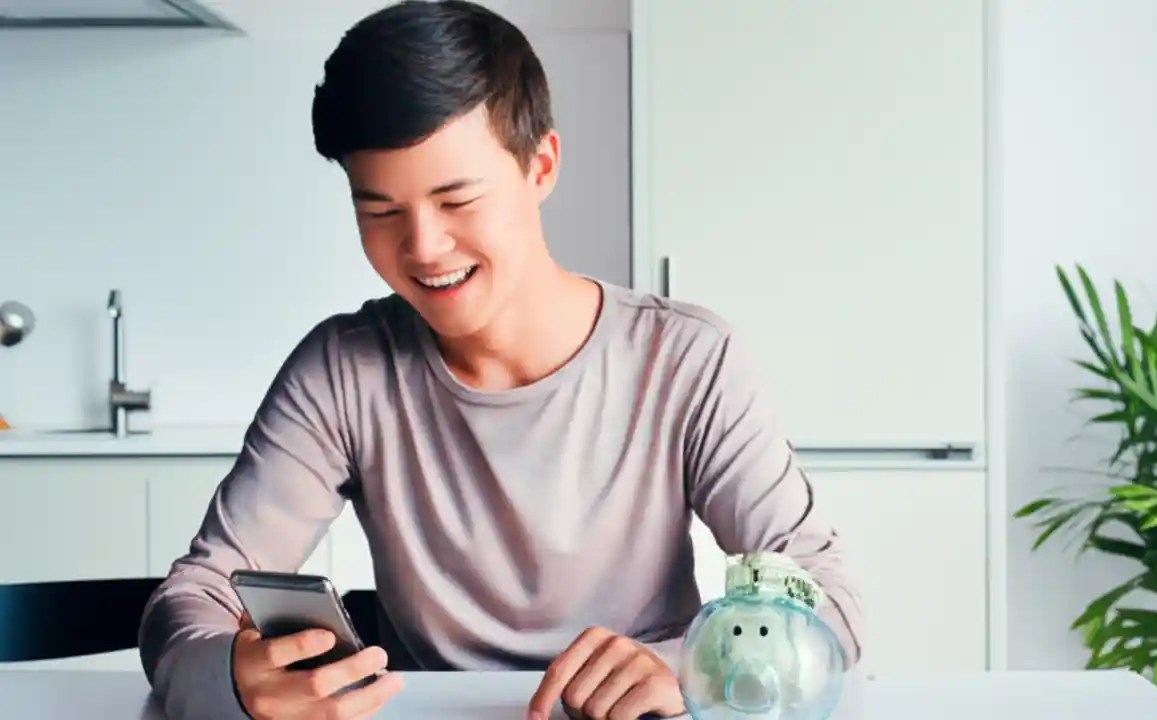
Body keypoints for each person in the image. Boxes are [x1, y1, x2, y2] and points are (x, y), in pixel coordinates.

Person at [137, 2, 864, 718]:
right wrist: (233, 680)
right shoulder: (342, 370)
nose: (422, 247)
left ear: (540, 165)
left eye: (458, 199)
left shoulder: (687, 361)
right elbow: (194, 597)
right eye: (381, 211)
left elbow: (829, 602)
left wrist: (685, 667)